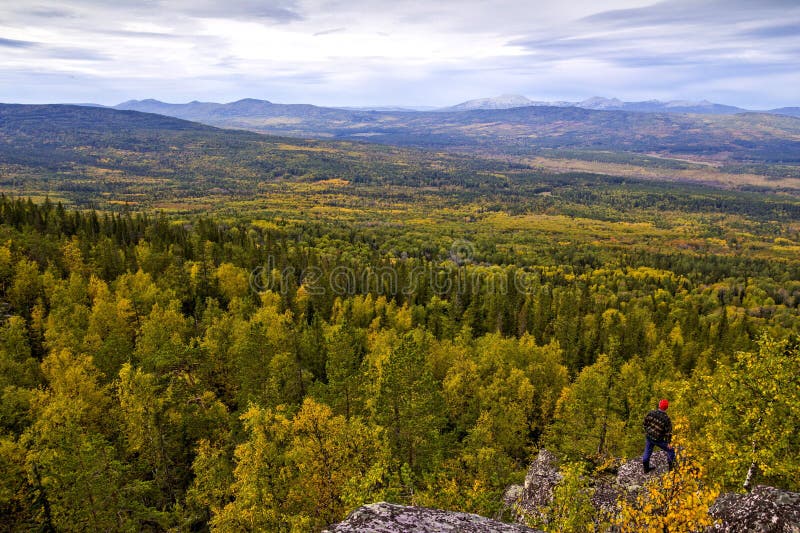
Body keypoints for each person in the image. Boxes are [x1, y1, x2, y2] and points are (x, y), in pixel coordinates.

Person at [642, 398, 675, 473]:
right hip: (659, 439)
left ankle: (646, 469)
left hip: (649, 436)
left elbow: (645, 423)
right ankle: (671, 470)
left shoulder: (651, 413)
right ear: (666, 408)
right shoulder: (666, 419)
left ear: (659, 405)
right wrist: (669, 442)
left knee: (647, 451)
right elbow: (668, 433)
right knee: (671, 450)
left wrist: (647, 431)